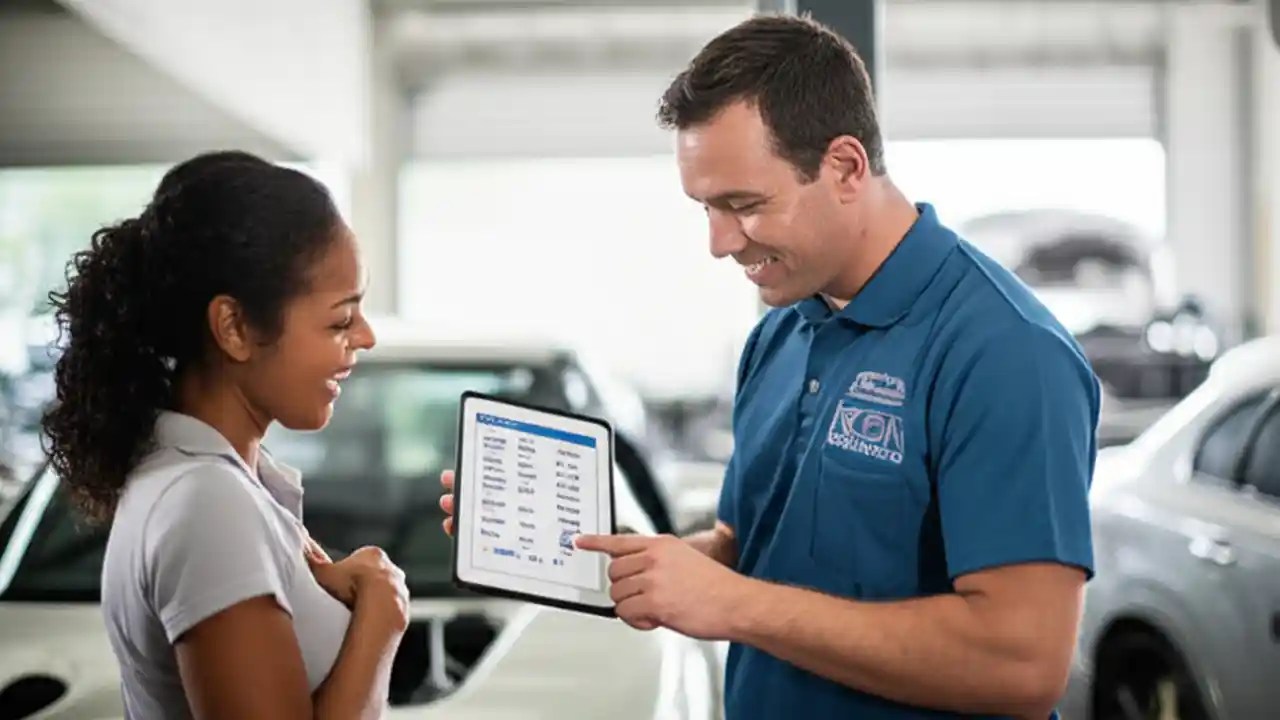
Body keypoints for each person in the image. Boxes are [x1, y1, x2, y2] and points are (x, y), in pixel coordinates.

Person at [440, 13, 1098, 720]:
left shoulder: (1003, 351)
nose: (720, 243)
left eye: (744, 205)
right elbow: (748, 548)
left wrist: (736, 605)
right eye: (706, 209)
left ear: (845, 167)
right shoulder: (780, 330)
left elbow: (1023, 665)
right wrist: (614, 563)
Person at [42, 150, 408, 719]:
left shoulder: (217, 487)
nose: (365, 337)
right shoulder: (208, 505)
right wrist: (380, 622)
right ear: (234, 327)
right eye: (340, 319)